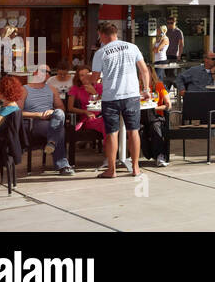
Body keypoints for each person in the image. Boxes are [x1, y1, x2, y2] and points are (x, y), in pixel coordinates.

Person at [90, 21, 149, 178]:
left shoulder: (100, 53)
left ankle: (112, 169)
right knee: (133, 132)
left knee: (111, 134)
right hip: (131, 95)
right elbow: (144, 70)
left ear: (102, 35)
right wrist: (146, 90)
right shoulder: (132, 47)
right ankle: (135, 168)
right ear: (116, 33)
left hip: (111, 97)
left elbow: (95, 79)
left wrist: (92, 80)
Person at [18, 64, 75, 175]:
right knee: (60, 130)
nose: (47, 74)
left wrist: (52, 111)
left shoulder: (52, 89)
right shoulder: (24, 89)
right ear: (35, 73)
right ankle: (62, 165)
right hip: (33, 122)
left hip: (50, 120)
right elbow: (17, 112)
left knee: (59, 113)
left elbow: (61, 108)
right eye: (44, 71)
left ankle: (52, 142)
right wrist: (37, 115)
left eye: (49, 72)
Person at [139, 64, 171, 167]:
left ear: (151, 74)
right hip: (141, 117)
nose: (143, 75)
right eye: (141, 73)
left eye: (145, 73)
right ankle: (149, 154)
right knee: (138, 129)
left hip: (156, 116)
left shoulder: (158, 86)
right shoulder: (136, 87)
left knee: (154, 126)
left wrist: (154, 108)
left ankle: (160, 155)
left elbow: (168, 105)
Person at [66, 66, 104, 139]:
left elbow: (105, 104)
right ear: (78, 78)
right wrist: (85, 112)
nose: (85, 77)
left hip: (102, 115)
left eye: (87, 74)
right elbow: (70, 108)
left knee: (109, 122)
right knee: (106, 125)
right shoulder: (75, 88)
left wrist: (94, 93)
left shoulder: (99, 87)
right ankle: (111, 148)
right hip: (88, 118)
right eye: (82, 75)